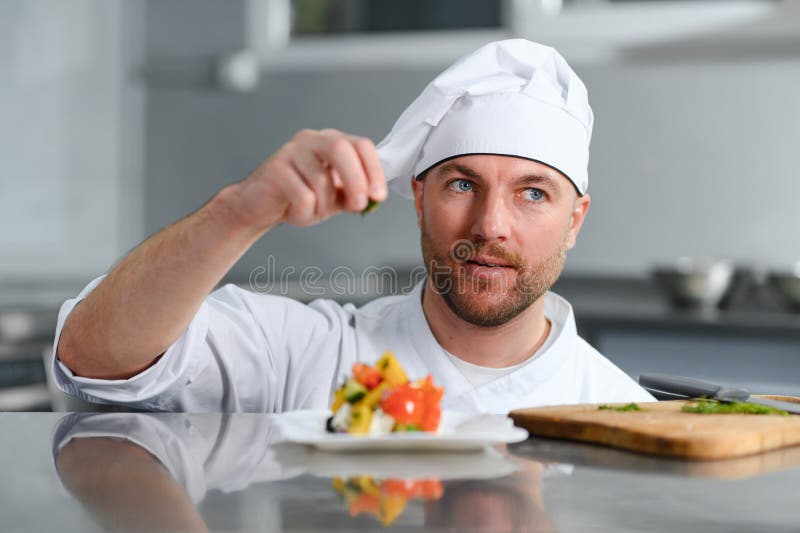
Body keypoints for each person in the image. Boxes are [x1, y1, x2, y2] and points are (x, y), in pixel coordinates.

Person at [52, 39, 654, 412]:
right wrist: (240, 210)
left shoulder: (616, 411)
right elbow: (93, 358)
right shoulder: (312, 353)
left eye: (532, 193)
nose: (490, 224)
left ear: (575, 220)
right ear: (419, 198)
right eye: (463, 184)